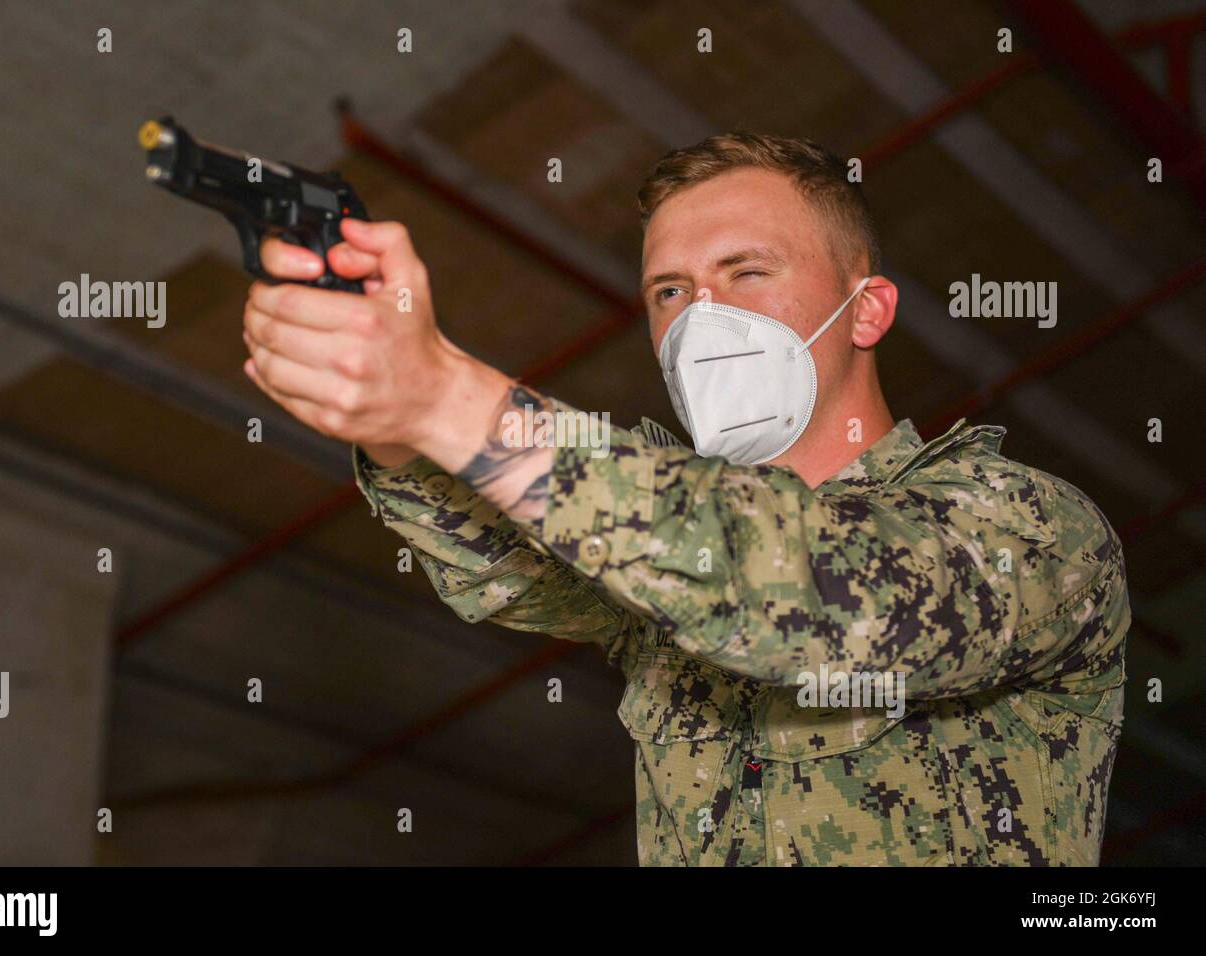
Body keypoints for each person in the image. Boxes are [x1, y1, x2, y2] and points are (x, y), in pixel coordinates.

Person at [239, 131, 1129, 866]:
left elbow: (817, 593)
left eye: (746, 272)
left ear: (866, 311)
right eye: (671, 291)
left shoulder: (1029, 529)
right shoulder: (661, 569)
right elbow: (505, 556)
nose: (702, 317)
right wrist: (395, 418)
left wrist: (447, 397)